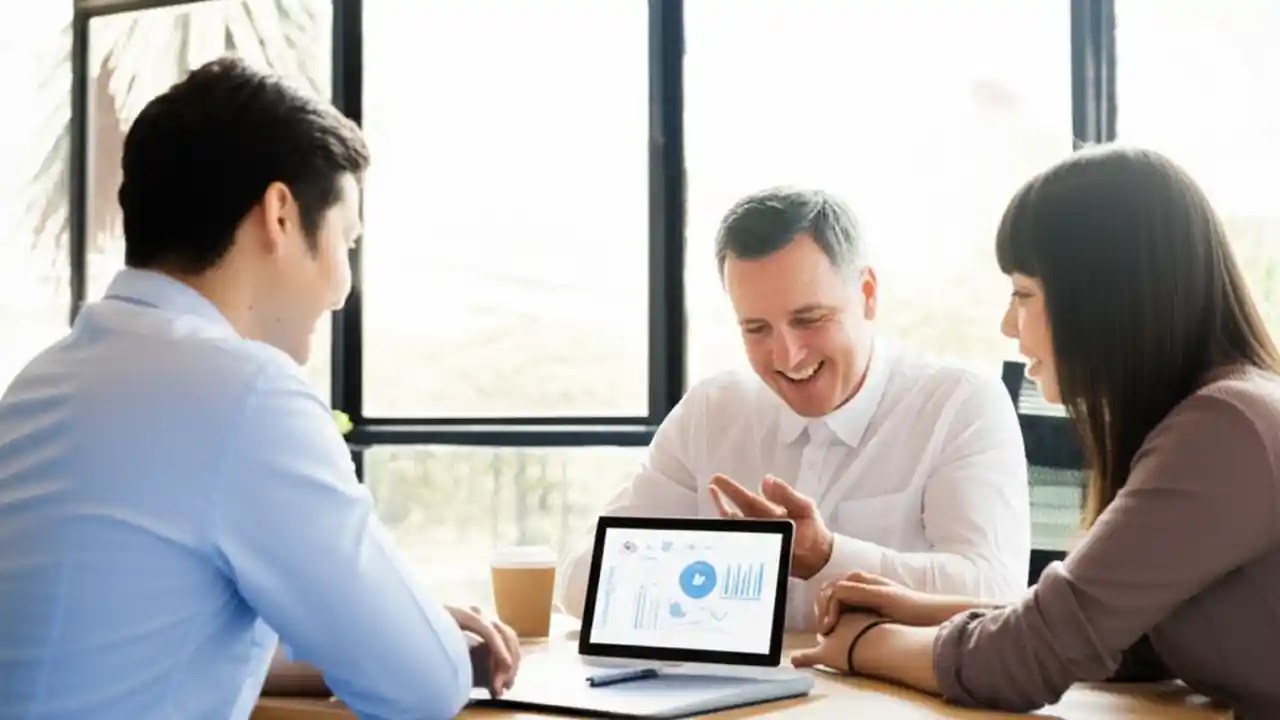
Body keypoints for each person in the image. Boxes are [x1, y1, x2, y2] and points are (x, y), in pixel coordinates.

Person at [0, 57, 518, 720]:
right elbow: (421, 689)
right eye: (346, 241)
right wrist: (424, 641)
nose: (342, 286)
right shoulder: (244, 393)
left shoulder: (45, 381)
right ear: (280, 214)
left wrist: (364, 628)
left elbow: (147, 635)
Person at [794, 146, 1280, 719]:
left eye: (1023, 294)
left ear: (1103, 301)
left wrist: (858, 645)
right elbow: (1120, 635)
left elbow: (1027, 661)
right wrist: (924, 610)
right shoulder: (1233, 413)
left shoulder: (1224, 431)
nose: (1007, 325)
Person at [558, 187, 1031, 631]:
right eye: (756, 329)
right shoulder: (711, 412)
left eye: (809, 320)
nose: (787, 356)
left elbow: (995, 593)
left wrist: (828, 556)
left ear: (867, 295)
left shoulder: (960, 405)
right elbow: (580, 582)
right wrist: (722, 564)